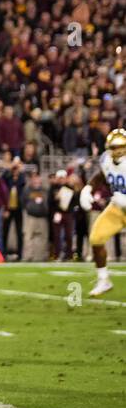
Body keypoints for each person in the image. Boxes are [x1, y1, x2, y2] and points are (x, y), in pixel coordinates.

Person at [77, 127, 125, 297]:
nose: (116, 152)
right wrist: (87, 188)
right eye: (112, 148)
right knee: (96, 238)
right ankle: (104, 279)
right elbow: (102, 176)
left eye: (119, 148)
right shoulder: (106, 160)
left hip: (121, 202)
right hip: (118, 208)